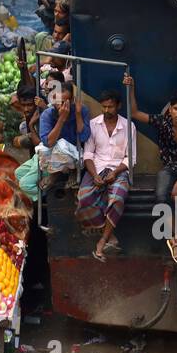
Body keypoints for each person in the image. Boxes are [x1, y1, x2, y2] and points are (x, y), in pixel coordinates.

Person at [130, 89, 177, 265]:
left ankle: (176, 240)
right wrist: (132, 87)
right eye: (176, 109)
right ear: (170, 110)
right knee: (160, 198)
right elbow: (134, 113)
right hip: (169, 168)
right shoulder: (162, 122)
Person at [76, 78, 136, 261]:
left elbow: (131, 158)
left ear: (118, 106)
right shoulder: (94, 124)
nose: (106, 111)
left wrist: (116, 173)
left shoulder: (128, 126)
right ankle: (110, 235)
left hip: (118, 170)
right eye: (104, 107)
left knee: (117, 198)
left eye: (110, 107)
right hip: (97, 168)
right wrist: (94, 175)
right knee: (84, 198)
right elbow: (88, 154)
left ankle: (102, 240)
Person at [36, 81, 91, 187]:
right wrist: (61, 119)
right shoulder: (48, 114)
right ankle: (55, 173)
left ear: (71, 100)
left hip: (75, 153)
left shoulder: (81, 110)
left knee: (62, 145)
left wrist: (78, 114)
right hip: (54, 153)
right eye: (58, 101)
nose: (61, 105)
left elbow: (84, 137)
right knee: (42, 150)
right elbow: (48, 143)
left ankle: (73, 171)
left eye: (65, 101)